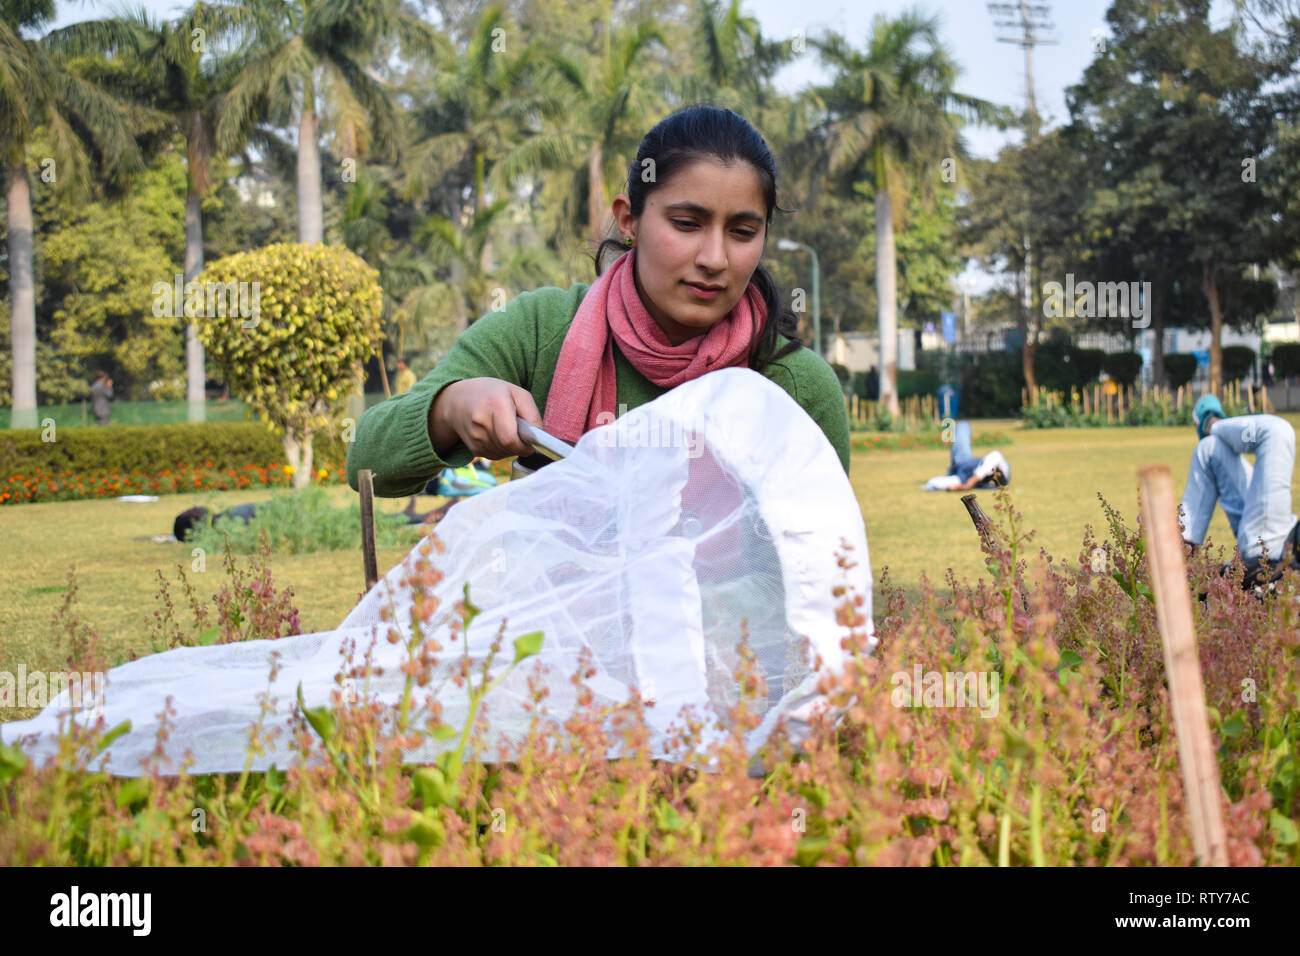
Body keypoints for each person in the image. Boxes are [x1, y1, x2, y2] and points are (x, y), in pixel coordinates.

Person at [347, 105, 849, 498]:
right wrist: (451, 408)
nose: (715, 258)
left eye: (743, 231)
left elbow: (818, 574)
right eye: (686, 224)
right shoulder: (540, 330)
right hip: (548, 632)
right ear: (629, 220)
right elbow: (366, 459)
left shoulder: (795, 387)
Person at [1180, 395, 1300, 580]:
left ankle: (1212, 426)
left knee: (1277, 431)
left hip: (1276, 544)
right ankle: (1183, 553)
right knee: (1211, 448)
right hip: (1285, 534)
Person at [921, 421, 1011, 492]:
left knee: (962, 426)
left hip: (961, 469)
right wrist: (970, 483)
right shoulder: (1003, 467)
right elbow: (994, 457)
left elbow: (934, 483)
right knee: (963, 426)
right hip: (965, 461)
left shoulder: (991, 485)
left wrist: (958, 487)